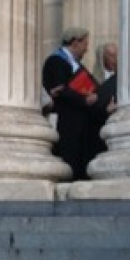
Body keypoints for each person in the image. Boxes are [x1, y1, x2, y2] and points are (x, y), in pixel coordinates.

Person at [42, 27, 102, 180]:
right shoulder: (55, 61)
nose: (86, 49)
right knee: (69, 156)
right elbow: (58, 90)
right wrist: (84, 99)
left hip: (81, 121)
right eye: (85, 45)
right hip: (66, 120)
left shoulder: (76, 64)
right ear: (75, 42)